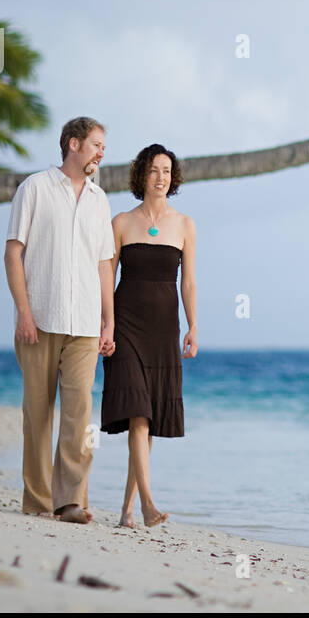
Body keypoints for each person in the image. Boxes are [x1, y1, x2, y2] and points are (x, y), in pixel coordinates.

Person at [3, 116, 116, 525]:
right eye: (97, 145)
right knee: (38, 414)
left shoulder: (100, 200)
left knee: (80, 414)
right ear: (73, 144)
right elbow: (13, 253)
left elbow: (105, 264)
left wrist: (109, 321)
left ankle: (70, 501)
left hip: (85, 324)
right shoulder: (33, 189)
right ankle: (37, 499)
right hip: (40, 320)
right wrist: (24, 312)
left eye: (104, 146)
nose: (102, 153)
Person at [101, 143, 198, 529]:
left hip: (163, 330)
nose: (162, 177)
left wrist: (193, 326)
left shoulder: (185, 224)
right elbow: (106, 277)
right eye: (155, 170)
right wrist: (105, 324)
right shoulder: (121, 222)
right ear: (141, 174)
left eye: (167, 171)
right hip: (125, 325)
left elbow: (188, 282)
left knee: (147, 419)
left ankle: (126, 511)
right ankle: (147, 506)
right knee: (138, 415)